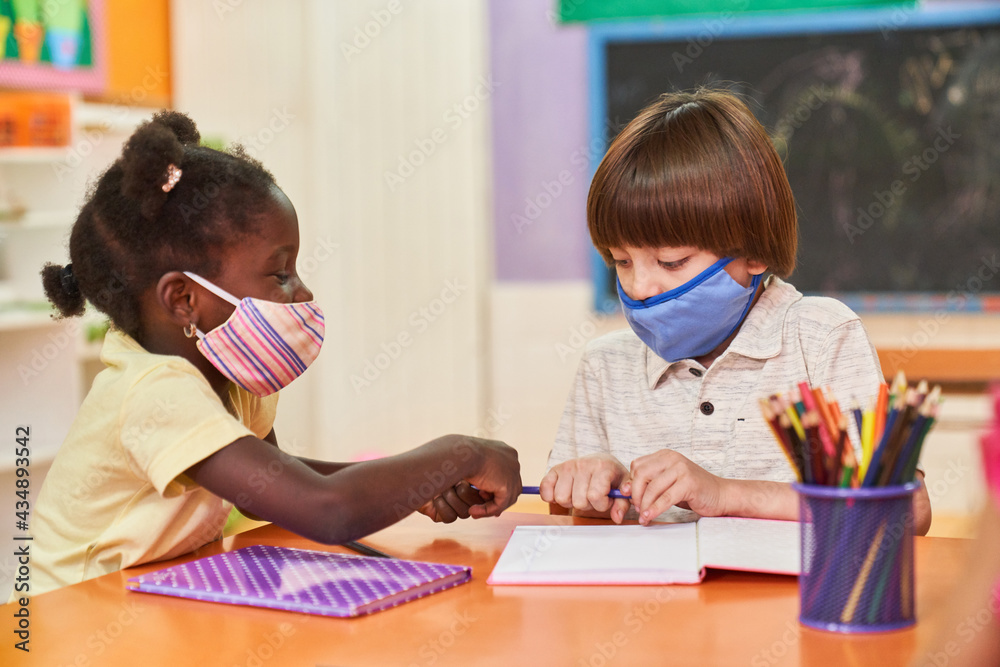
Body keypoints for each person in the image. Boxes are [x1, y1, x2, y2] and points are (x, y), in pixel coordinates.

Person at [23, 111, 520, 597]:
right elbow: (325, 509)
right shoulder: (152, 393)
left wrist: (418, 483)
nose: (302, 293)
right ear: (183, 299)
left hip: (145, 604)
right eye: (280, 274)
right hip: (70, 625)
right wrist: (461, 452)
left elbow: (276, 478)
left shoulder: (225, 375)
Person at [539, 88, 932, 532]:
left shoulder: (821, 339)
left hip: (790, 603)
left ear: (754, 254)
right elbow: (570, 519)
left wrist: (724, 493)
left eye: (671, 262)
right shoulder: (605, 365)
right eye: (621, 260)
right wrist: (592, 487)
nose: (640, 287)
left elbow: (907, 511)